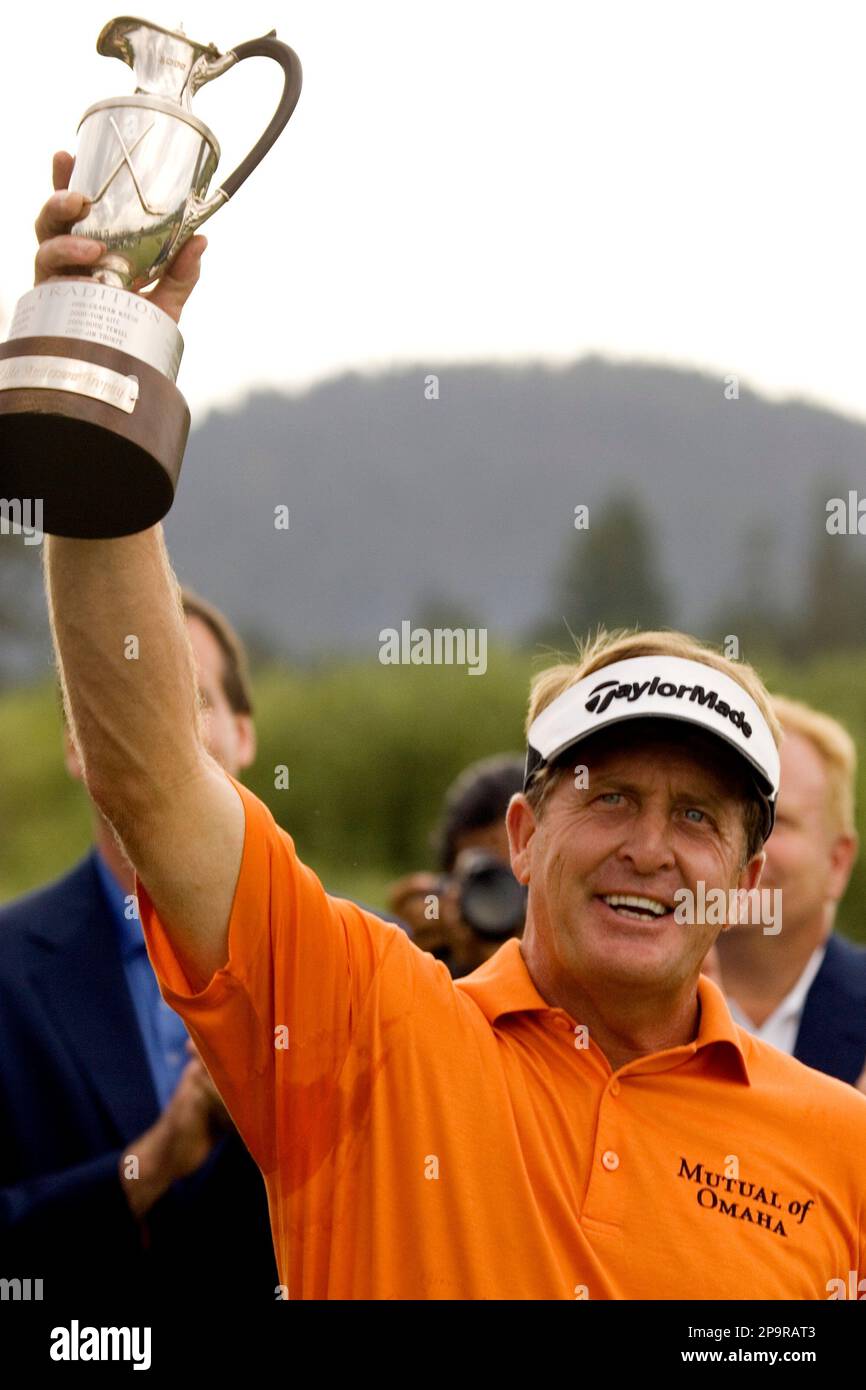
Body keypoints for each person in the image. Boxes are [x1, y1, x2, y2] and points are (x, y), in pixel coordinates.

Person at [36, 154, 866, 1300]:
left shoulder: (842, 1148)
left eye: (696, 815)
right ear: (522, 833)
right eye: (609, 794)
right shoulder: (362, 1027)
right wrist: (103, 371)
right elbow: (153, 777)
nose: (647, 845)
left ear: (745, 870)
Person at [0, 586, 277, 1301]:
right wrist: (152, 1163)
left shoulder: (370, 961)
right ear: (75, 746)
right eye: (121, 693)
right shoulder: (6, 969)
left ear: (244, 735)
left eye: (192, 696)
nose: (158, 720)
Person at [715, 694, 866, 1087]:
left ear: (837, 862)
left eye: (771, 820)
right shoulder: (615, 1010)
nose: (743, 844)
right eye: (709, 816)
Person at [387, 753, 525, 976]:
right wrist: (407, 956)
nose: (497, 905)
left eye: (515, 880)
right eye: (482, 881)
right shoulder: (438, 960)